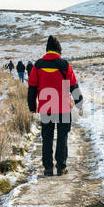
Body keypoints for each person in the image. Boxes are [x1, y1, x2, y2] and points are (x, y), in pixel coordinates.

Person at [28, 36, 83, 177]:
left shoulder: (38, 65)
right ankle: (61, 167)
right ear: (59, 50)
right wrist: (79, 102)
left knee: (46, 137)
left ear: (47, 50)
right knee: (62, 136)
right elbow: (73, 85)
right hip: (63, 107)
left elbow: (32, 87)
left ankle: (47, 168)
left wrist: (32, 105)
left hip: (46, 107)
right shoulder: (65, 65)